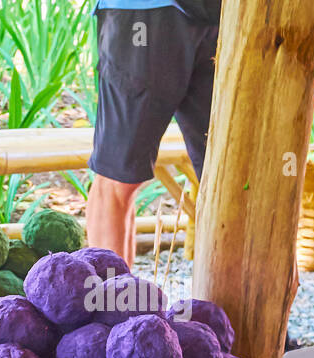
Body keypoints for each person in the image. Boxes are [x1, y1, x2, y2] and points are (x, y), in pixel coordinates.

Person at [86, 1, 221, 265]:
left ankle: (230, 305)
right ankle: (115, 303)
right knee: (120, 177)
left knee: (229, 179)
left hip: (226, 14)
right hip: (145, 10)